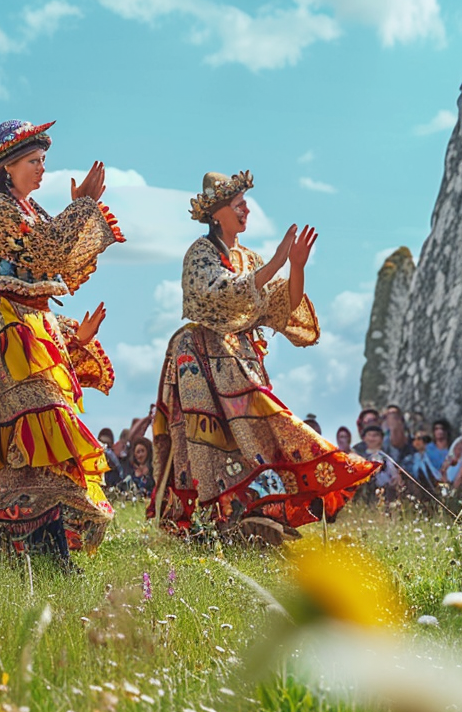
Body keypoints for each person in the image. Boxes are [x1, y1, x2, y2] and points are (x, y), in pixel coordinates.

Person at [0, 118, 123, 566]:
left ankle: (31, 556)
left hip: (31, 325)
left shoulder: (34, 211)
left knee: (39, 442)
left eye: (43, 160)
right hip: (4, 330)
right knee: (41, 428)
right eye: (33, 160)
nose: (41, 168)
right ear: (7, 166)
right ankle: (30, 554)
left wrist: (72, 335)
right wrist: (83, 206)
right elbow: (45, 252)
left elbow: (53, 268)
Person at [149, 171, 377, 544]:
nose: (246, 210)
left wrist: (296, 266)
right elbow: (220, 295)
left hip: (240, 359)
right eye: (238, 205)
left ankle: (259, 511)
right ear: (217, 213)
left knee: (262, 428)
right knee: (205, 441)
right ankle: (211, 521)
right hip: (200, 359)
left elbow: (281, 303)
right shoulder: (200, 254)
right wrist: (275, 262)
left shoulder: (249, 257)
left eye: (245, 204)